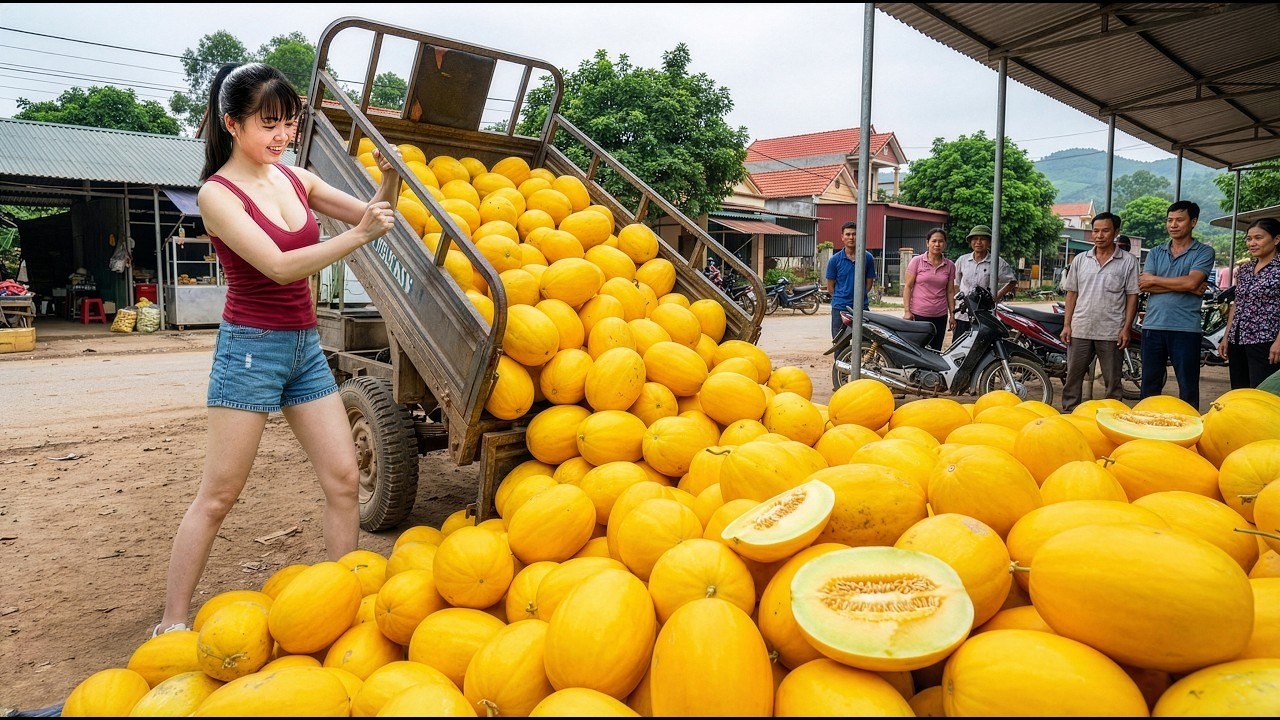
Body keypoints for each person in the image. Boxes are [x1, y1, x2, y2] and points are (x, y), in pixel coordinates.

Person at [152, 62, 401, 637]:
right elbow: (281, 266)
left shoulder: (297, 179)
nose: (283, 136)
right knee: (219, 496)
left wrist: (389, 181)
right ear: (232, 123)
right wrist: (358, 236)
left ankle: (337, 608)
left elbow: (371, 216)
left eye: (289, 123)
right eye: (269, 125)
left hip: (304, 350)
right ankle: (170, 624)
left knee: (343, 481)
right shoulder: (217, 194)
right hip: (250, 351)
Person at [1138, 200, 1216, 409]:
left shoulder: (1204, 252)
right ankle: (1143, 428)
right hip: (1152, 326)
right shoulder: (1155, 252)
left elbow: (1192, 281)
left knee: (1188, 386)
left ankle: (1189, 431)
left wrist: (1159, 280)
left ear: (1193, 222)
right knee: (1149, 385)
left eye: (1179, 220)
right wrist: (1187, 285)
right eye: (1170, 220)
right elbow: (1144, 285)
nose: (1173, 224)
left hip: (1186, 328)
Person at [1058, 212, 1140, 411]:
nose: (1099, 235)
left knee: (1113, 381)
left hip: (1111, 331)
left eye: (1105, 231)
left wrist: (1126, 328)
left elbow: (1132, 297)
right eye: (1095, 231)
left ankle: (1112, 418)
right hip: (1081, 328)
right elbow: (1071, 294)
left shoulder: (1128, 261)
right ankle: (1070, 414)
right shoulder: (1080, 259)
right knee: (1073, 378)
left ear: (1116, 232)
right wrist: (1067, 325)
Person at [1217, 217, 1280, 389]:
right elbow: (1237, 304)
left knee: (1262, 393)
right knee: (1240, 392)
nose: (1252, 243)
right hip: (1238, 340)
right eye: (1249, 238)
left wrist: (1279, 342)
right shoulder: (1244, 270)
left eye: (1258, 238)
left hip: (1266, 341)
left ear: (1276, 239)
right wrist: (1227, 337)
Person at [953, 225, 1017, 337]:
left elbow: (1012, 281)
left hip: (985, 314)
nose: (978, 242)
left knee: (982, 347)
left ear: (989, 243)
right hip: (963, 314)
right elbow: (955, 283)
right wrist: (960, 299)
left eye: (982, 239)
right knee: (959, 347)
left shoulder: (996, 262)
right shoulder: (962, 260)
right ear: (970, 242)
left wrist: (995, 297)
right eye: (975, 239)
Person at [902, 227, 956, 350]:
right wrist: (907, 311)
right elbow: (908, 287)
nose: (937, 244)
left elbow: (950, 291)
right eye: (934, 241)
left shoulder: (950, 265)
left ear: (945, 244)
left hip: (940, 316)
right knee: (917, 349)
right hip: (918, 315)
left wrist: (952, 314)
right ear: (927, 243)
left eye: (941, 241)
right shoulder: (917, 261)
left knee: (935, 350)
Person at [825, 220, 877, 338]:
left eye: (854, 234)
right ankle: (841, 358)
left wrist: (859, 297)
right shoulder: (835, 260)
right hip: (840, 308)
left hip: (861, 307)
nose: (851, 237)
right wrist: (842, 296)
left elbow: (868, 284)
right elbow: (830, 287)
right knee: (839, 341)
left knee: (864, 341)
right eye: (848, 234)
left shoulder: (867, 258)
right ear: (842, 237)